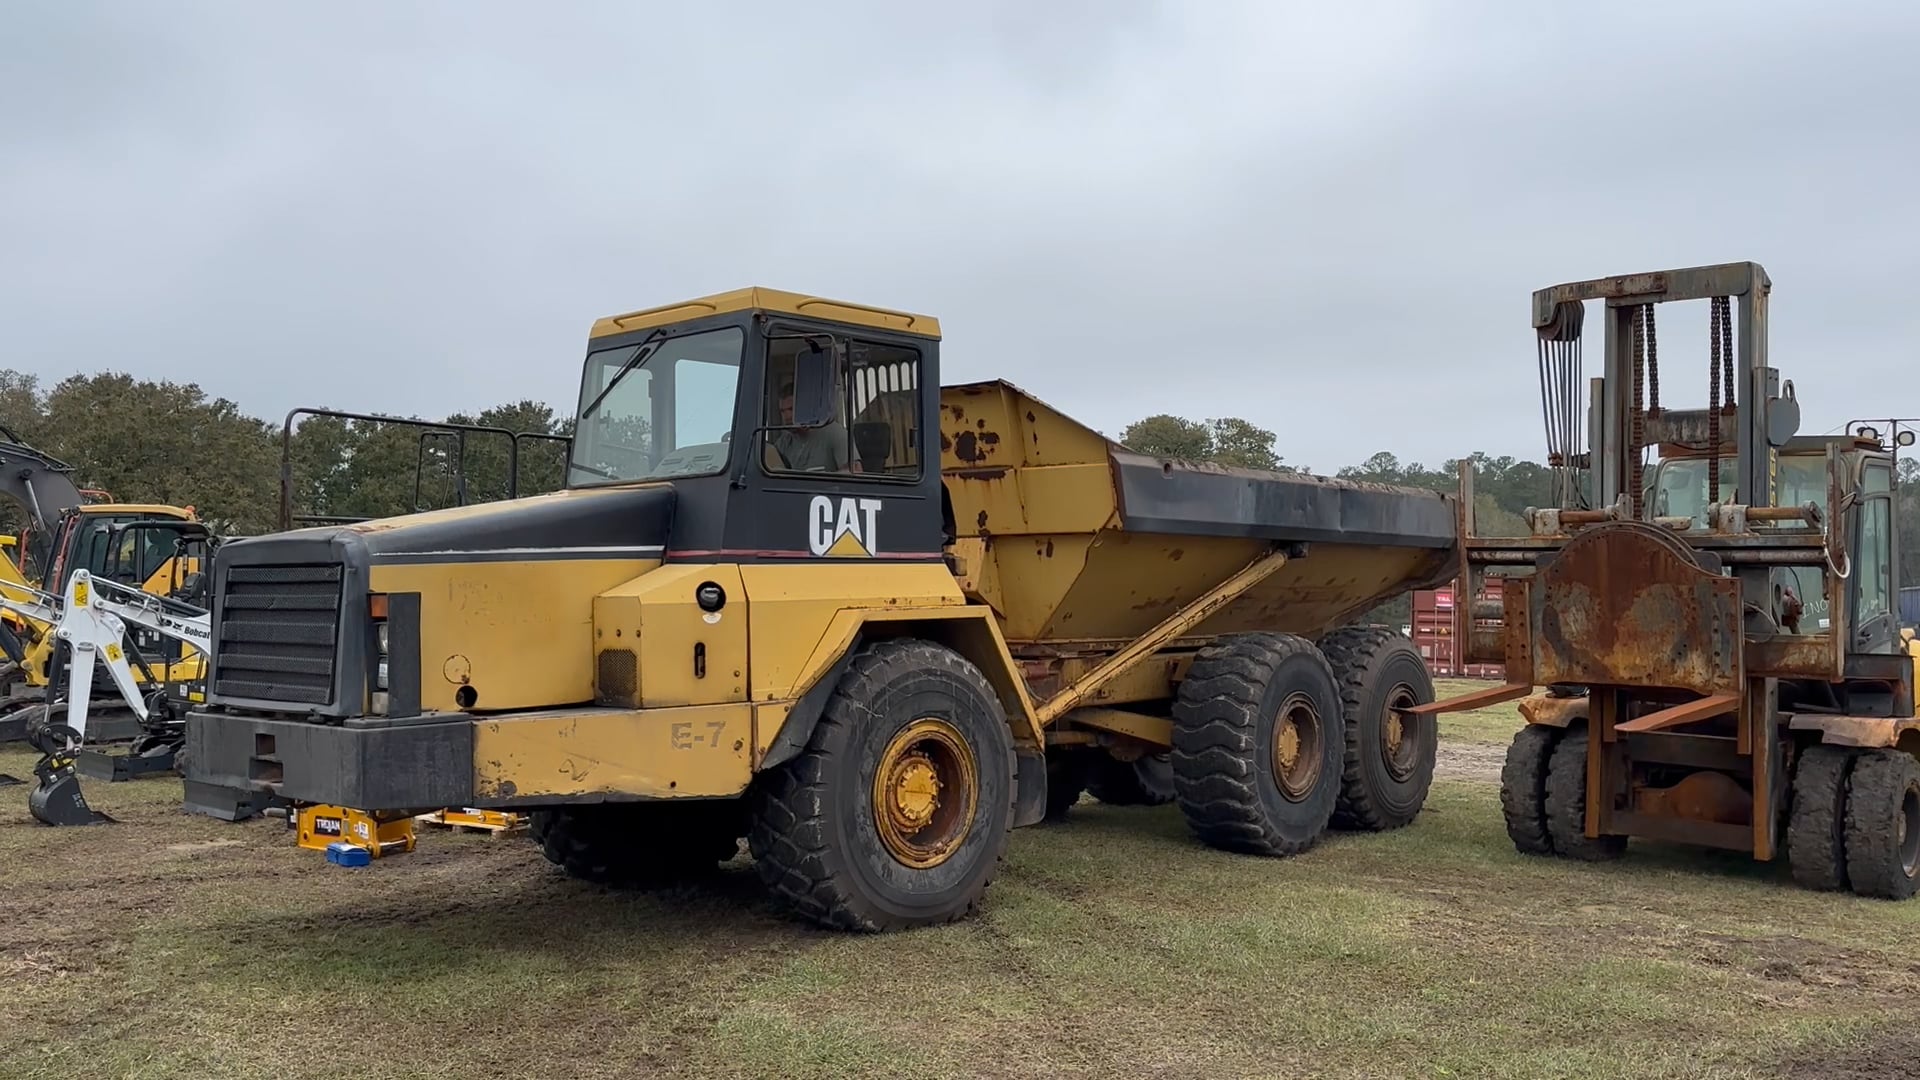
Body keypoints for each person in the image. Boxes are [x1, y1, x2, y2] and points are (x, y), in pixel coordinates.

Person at [768, 378, 859, 473]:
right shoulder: (784, 442)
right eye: (783, 411)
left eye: (791, 409)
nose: (786, 416)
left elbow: (855, 471)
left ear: (806, 406)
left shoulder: (835, 434)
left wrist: (820, 480)